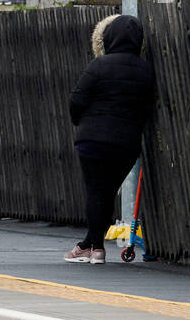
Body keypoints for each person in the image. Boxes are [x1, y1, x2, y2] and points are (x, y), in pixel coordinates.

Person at [66, 14, 156, 263]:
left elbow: (77, 100)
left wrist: (81, 122)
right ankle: (88, 244)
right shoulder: (145, 70)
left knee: (95, 190)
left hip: (93, 139)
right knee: (106, 192)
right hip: (126, 143)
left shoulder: (98, 66)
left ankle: (96, 248)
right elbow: (147, 107)